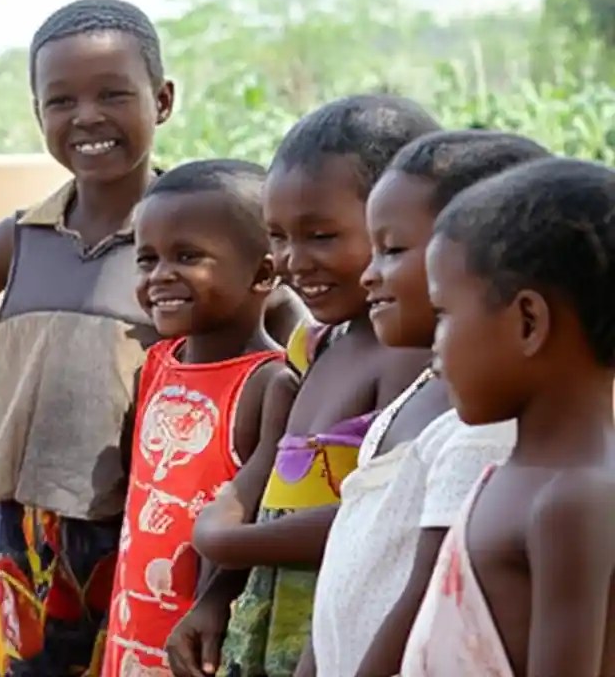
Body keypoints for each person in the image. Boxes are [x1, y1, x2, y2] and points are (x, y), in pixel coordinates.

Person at [0, 0, 304, 676]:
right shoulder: (21, 238)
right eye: (60, 101)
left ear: (164, 99)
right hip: (17, 529)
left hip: (141, 533)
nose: (87, 117)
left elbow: (296, 348)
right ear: (38, 115)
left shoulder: (209, 238)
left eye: (113, 94)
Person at [170, 94, 441, 677]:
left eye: (321, 236)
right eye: (278, 236)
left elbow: (374, 521)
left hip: (338, 633)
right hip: (271, 618)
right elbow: (264, 474)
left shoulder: (409, 363)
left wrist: (226, 543)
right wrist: (215, 594)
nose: (294, 261)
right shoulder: (315, 345)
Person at [307, 130, 551, 677]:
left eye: (392, 250)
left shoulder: (481, 432)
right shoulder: (420, 390)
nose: (368, 273)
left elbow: (424, 599)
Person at [400, 157, 615, 676]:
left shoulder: (574, 499)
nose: (435, 346)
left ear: (527, 322)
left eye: (444, 315)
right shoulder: (514, 477)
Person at [101, 159, 289, 676]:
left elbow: (260, 514)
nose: (161, 276)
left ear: (264, 273)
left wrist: (214, 601)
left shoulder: (269, 384)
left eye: (187, 257)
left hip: (202, 638)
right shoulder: (157, 364)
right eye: (146, 260)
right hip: (132, 625)